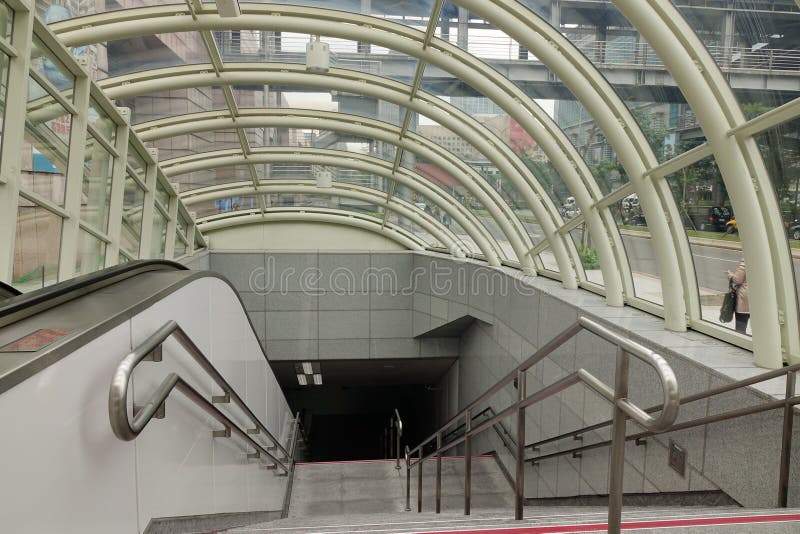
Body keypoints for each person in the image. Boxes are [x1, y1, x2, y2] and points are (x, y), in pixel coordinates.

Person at [725, 259, 749, 334]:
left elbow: (738, 279)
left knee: (741, 328)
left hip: (745, 300)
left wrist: (729, 275)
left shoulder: (747, 260)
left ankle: (741, 339)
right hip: (760, 298)